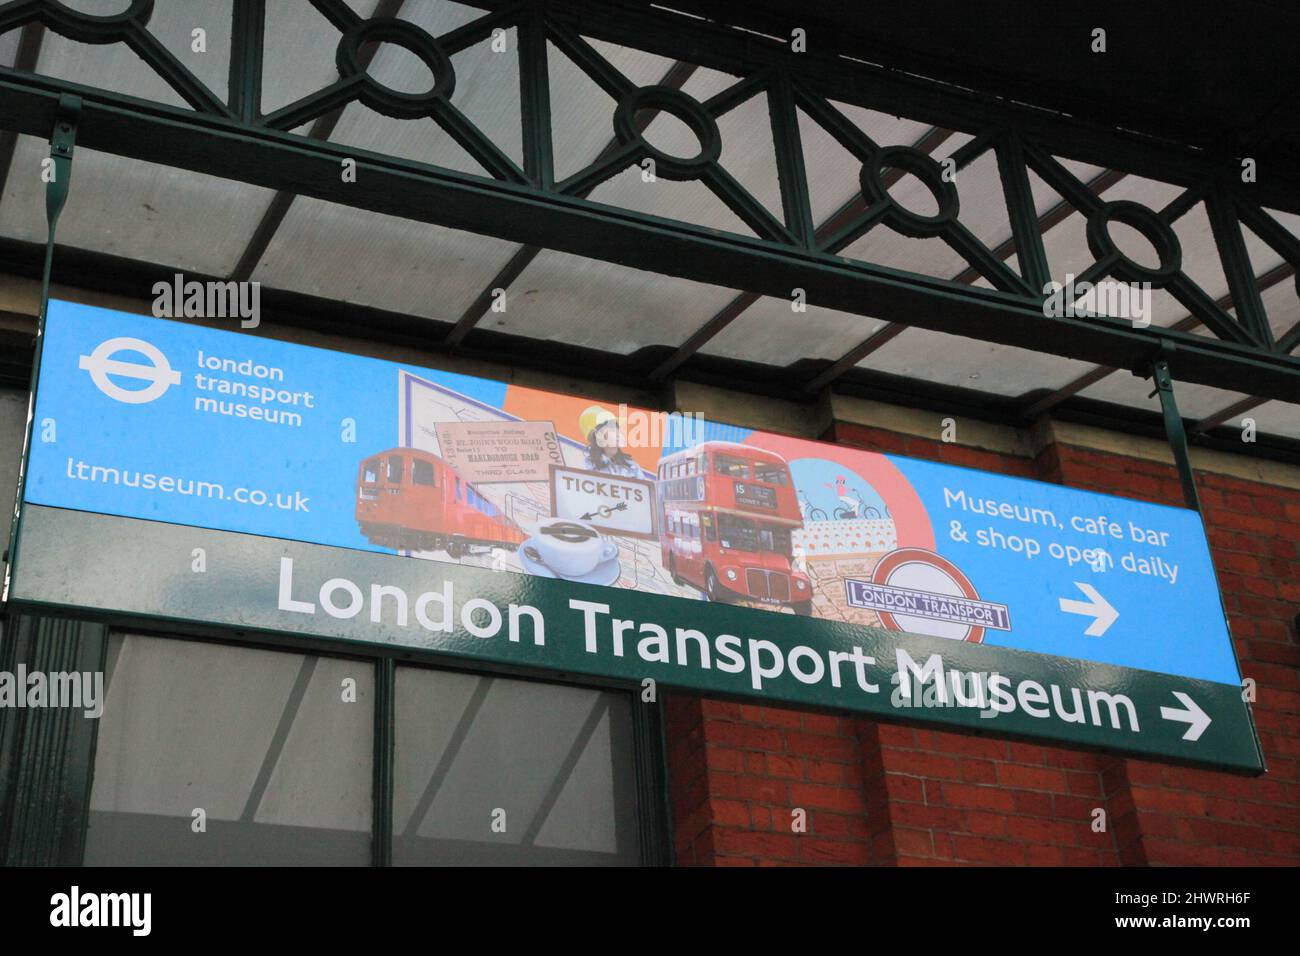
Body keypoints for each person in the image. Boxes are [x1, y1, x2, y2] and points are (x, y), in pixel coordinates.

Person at [579, 406, 641, 477]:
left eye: (617, 429)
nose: (618, 434)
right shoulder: (586, 466)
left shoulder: (632, 465)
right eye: (612, 429)